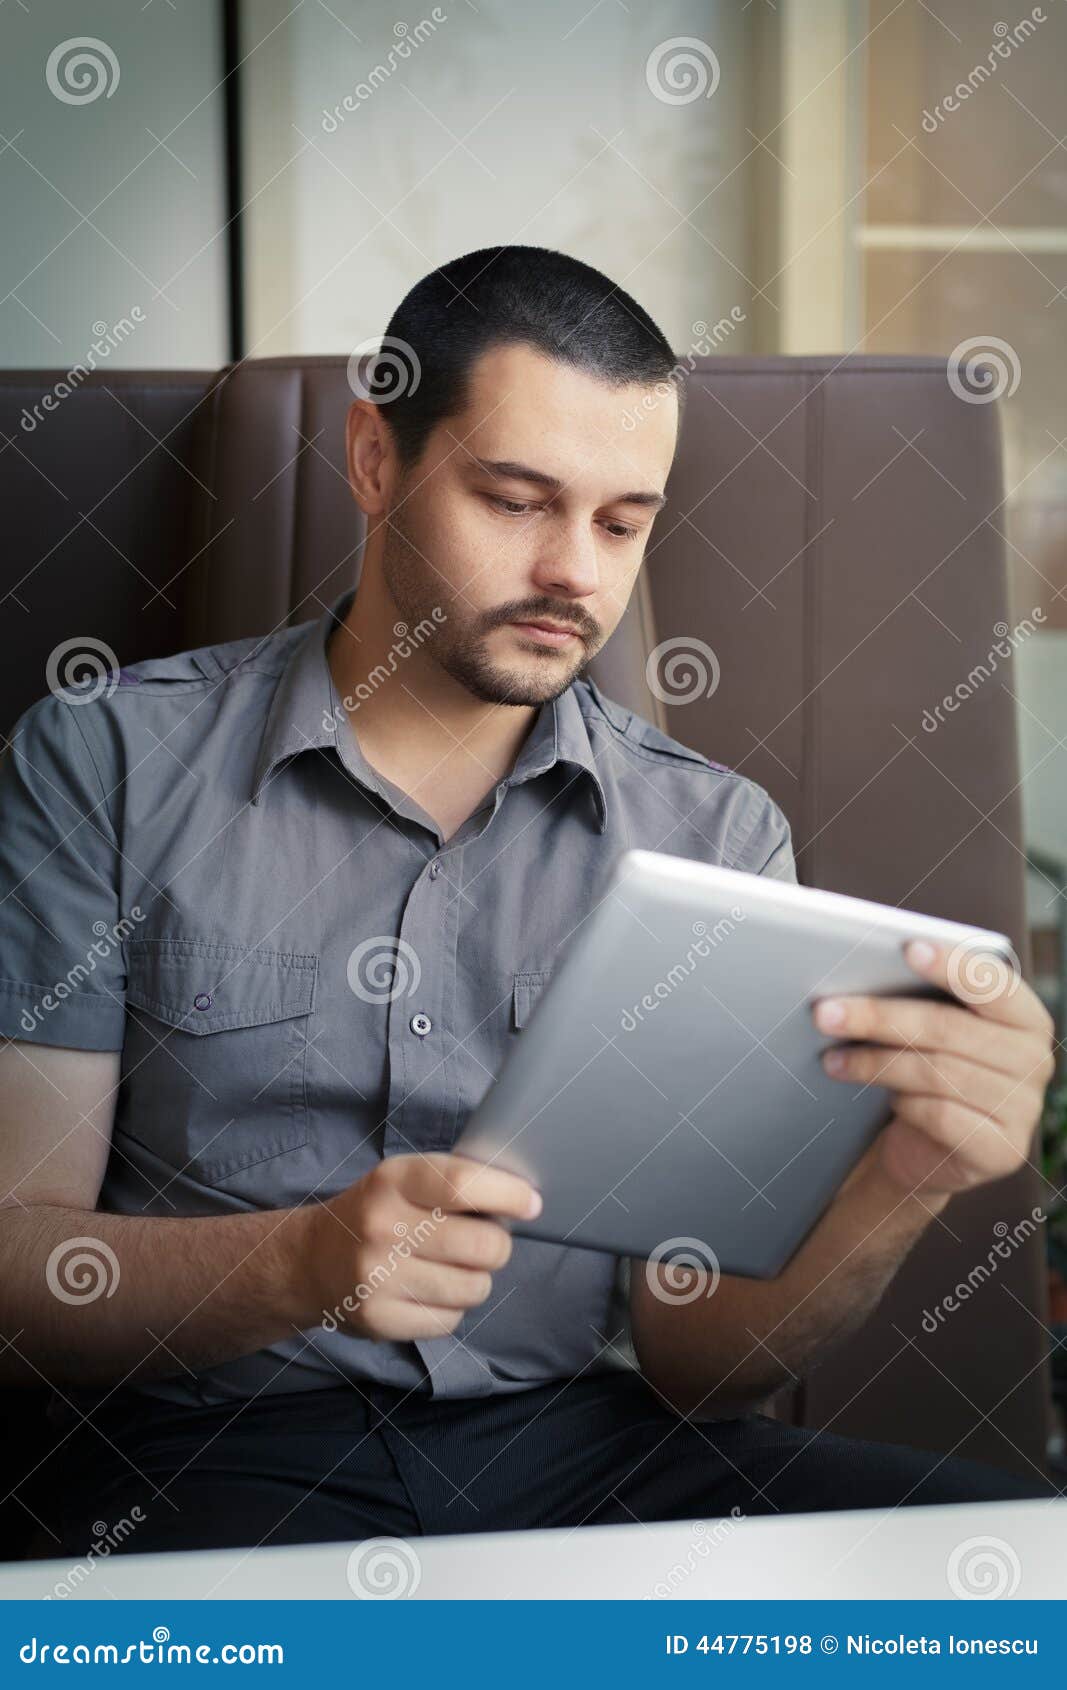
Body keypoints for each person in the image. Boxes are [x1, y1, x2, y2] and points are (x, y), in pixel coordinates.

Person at [0, 246, 1057, 1558]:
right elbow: (14, 1271)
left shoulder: (716, 834)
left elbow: (700, 1361)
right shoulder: (103, 760)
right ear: (375, 458)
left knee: (1010, 1571)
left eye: (622, 522)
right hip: (200, 1463)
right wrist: (301, 1268)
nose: (576, 572)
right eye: (516, 500)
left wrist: (903, 1181)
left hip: (585, 1450)